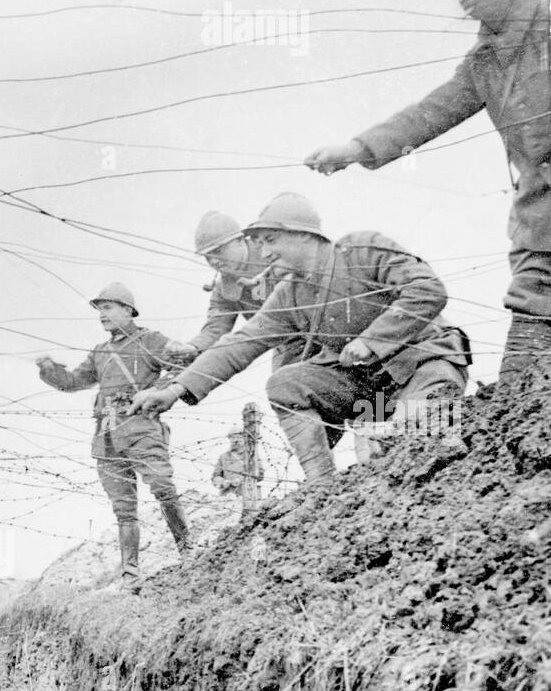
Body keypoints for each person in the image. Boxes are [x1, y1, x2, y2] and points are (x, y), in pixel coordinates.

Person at [304, 0, 551, 387]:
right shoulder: (484, 60)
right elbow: (432, 112)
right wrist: (358, 149)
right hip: (540, 212)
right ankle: (521, 404)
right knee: (532, 299)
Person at [129, 194, 470, 485]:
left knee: (420, 437)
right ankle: (322, 489)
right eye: (259, 243)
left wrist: (371, 341)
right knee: (286, 382)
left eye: (270, 241)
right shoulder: (290, 292)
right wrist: (175, 389)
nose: (262, 254)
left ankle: (403, 435)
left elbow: (427, 290)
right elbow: (242, 341)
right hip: (372, 396)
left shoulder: (364, 251)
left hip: (424, 365)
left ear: (303, 235)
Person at [36, 282, 191, 592]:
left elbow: (185, 366)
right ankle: (130, 576)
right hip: (107, 437)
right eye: (99, 310)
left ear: (127, 309)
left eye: (107, 308)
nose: (101, 316)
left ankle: (188, 552)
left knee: (163, 487)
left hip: (143, 429)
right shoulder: (100, 352)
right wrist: (48, 368)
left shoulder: (152, 341)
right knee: (123, 509)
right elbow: (73, 382)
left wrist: (157, 392)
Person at [164, 212, 285, 367]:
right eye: (208, 256)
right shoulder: (223, 289)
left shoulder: (274, 254)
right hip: (288, 344)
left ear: (240, 240)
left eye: (218, 251)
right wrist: (193, 348)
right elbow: (216, 328)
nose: (214, 261)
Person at [212, 429, 263, 495]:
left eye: (239, 437)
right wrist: (223, 482)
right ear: (229, 439)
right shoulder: (223, 457)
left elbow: (260, 474)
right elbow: (215, 476)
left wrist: (241, 479)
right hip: (228, 495)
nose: (236, 440)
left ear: (245, 439)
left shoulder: (251, 455)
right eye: (233, 437)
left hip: (249, 494)